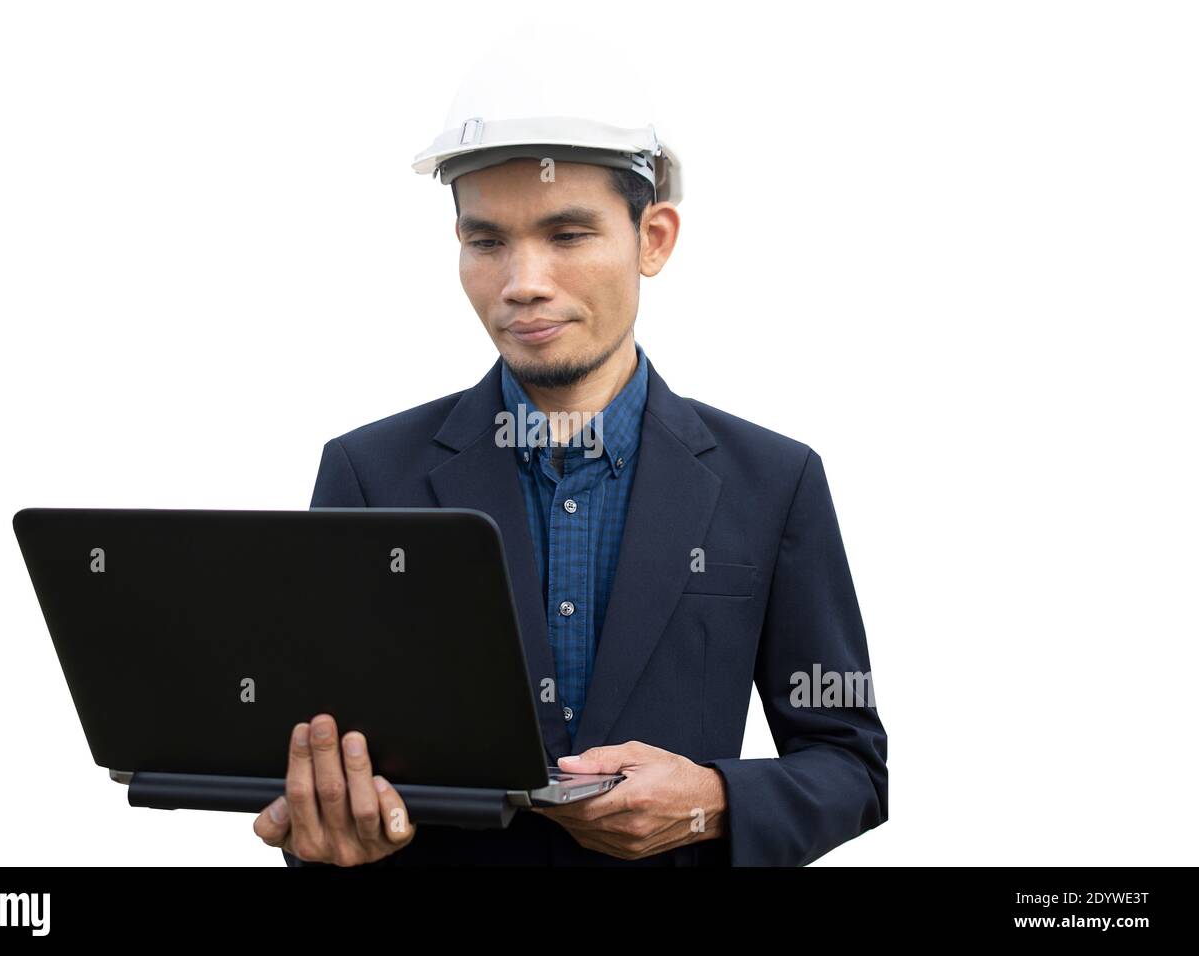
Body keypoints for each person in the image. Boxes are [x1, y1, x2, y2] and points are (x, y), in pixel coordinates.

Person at [252, 100, 888, 867]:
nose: (523, 283)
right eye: (486, 241)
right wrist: (324, 836)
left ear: (652, 239)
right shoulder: (368, 476)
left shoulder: (774, 483)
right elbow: (315, 767)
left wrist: (712, 803)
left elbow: (850, 765)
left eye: (567, 234)